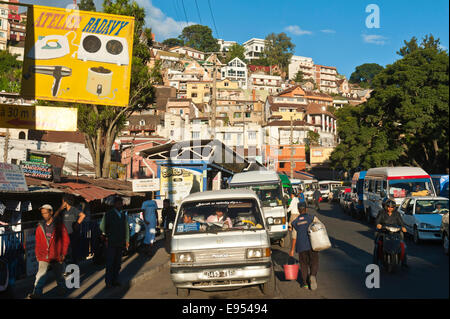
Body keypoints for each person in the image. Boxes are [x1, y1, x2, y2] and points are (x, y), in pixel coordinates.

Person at [28, 204, 70, 299]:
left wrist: (63, 253)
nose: (44, 215)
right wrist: (38, 255)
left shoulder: (59, 226)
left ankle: (62, 288)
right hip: (44, 255)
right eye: (42, 213)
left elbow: (66, 240)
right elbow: (38, 242)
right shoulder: (40, 227)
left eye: (45, 213)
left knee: (59, 275)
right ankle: (37, 293)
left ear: (51, 212)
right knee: (40, 275)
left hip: (56, 255)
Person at [100, 197, 130, 289]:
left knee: (117, 264)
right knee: (110, 263)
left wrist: (127, 240)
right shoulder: (108, 214)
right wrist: (107, 234)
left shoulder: (123, 215)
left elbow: (126, 228)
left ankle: (115, 280)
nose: (120, 205)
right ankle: (108, 282)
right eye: (118, 204)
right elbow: (102, 227)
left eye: (121, 204)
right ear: (114, 204)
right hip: (111, 242)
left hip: (120, 242)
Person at [289, 206, 319, 290]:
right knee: (314, 262)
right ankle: (312, 275)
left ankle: (305, 284)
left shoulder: (295, 222)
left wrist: (292, 250)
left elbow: (294, 236)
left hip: (301, 246)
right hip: (312, 245)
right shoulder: (312, 218)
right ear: (306, 209)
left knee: (303, 265)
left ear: (298, 210)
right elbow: (320, 227)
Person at [373, 199, 408, 267]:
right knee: (377, 245)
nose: (390, 208)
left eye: (392, 207)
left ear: (394, 207)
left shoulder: (397, 214)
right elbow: (377, 221)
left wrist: (403, 227)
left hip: (395, 233)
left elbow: (401, 223)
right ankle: (375, 262)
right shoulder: (381, 212)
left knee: (403, 245)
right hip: (383, 232)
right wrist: (378, 225)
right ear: (386, 206)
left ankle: (404, 263)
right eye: (388, 207)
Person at [54, 195, 86, 266]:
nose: (62, 203)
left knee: (73, 250)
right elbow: (54, 217)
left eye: (63, 201)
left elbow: (83, 215)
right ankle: (66, 265)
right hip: (64, 234)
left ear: (66, 202)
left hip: (73, 233)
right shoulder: (63, 211)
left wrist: (77, 223)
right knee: (65, 250)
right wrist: (60, 209)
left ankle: (74, 265)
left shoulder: (73, 209)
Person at [141, 192, 158, 256]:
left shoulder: (153, 202)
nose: (150, 196)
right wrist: (145, 220)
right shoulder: (146, 203)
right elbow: (143, 212)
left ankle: (149, 250)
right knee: (149, 234)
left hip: (151, 221)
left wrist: (157, 219)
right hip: (149, 221)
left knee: (150, 234)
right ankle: (148, 250)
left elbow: (155, 211)